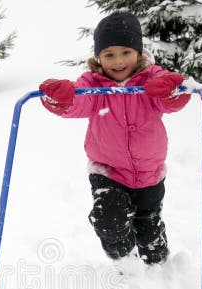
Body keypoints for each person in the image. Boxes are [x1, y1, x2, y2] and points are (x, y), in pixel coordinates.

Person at [39, 11, 190, 265]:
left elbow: (171, 100)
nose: (118, 61)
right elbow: (79, 100)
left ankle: (158, 265)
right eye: (109, 55)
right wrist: (64, 98)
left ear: (138, 52)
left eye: (125, 52)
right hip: (109, 171)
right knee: (110, 220)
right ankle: (125, 261)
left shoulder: (152, 78)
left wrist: (172, 92)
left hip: (149, 172)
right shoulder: (93, 84)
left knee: (149, 226)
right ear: (99, 57)